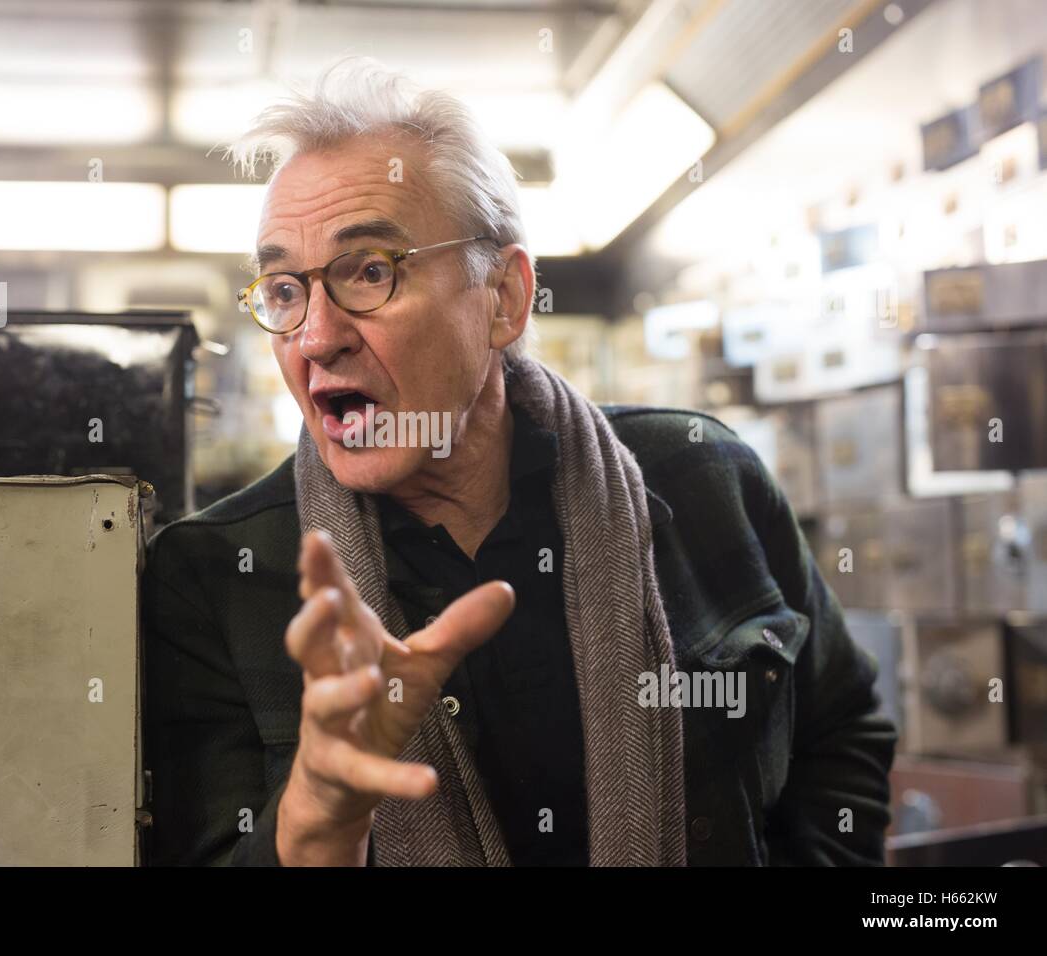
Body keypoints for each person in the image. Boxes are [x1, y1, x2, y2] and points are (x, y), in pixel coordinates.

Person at [142, 57, 896, 866]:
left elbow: (841, 729)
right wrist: (319, 818)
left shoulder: (703, 476)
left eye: (369, 272)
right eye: (284, 290)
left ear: (503, 298)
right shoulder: (214, 580)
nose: (317, 336)